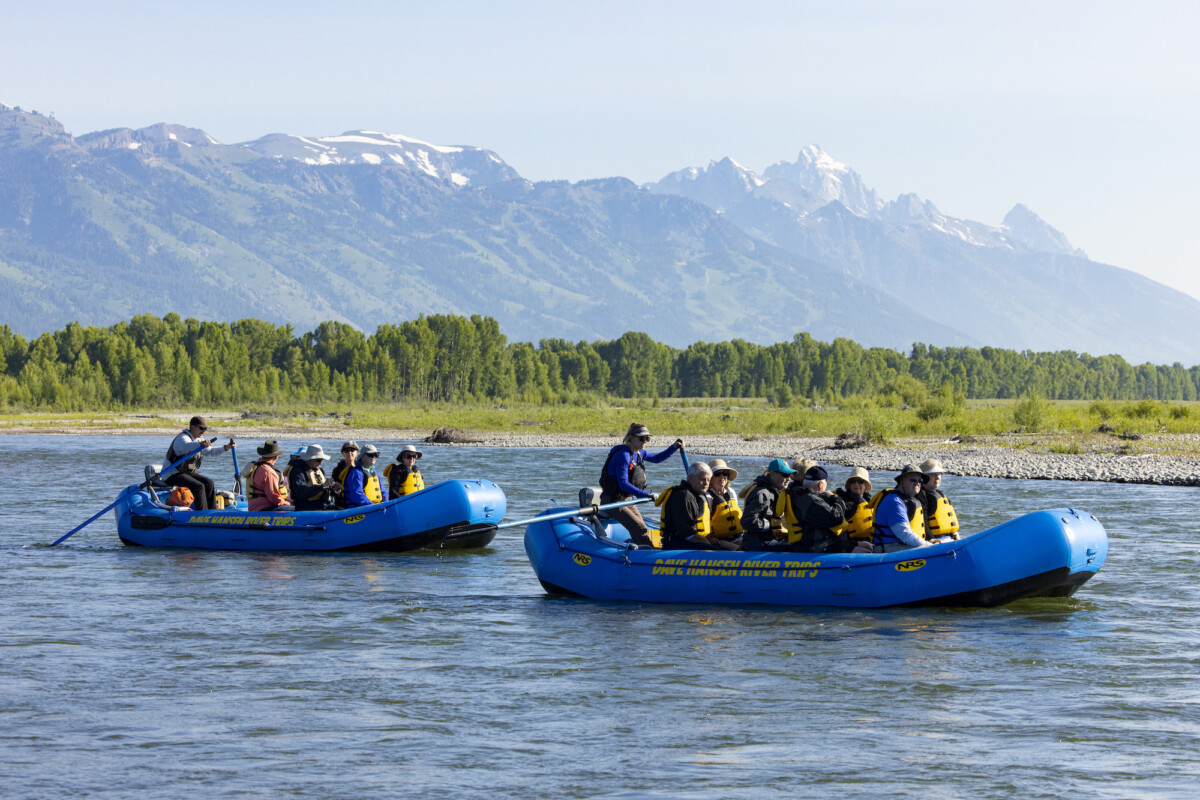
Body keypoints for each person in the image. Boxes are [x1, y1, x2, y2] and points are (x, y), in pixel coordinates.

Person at [598, 423, 684, 547]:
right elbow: (623, 484)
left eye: (647, 438)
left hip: (627, 500)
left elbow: (656, 458)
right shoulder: (623, 455)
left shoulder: (638, 453)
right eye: (641, 438)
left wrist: (674, 447)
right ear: (631, 439)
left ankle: (647, 549)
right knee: (640, 528)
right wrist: (646, 495)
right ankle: (649, 556)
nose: (645, 441)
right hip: (612, 501)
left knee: (643, 527)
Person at [163, 415, 235, 511]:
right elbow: (187, 446)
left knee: (209, 483)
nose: (203, 431)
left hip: (185, 473)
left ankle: (213, 512)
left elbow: (211, 452)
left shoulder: (199, 440)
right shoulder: (182, 438)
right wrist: (200, 444)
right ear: (192, 427)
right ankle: (202, 515)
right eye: (201, 428)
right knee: (199, 486)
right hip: (171, 474)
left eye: (205, 429)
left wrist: (226, 448)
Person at [658, 463, 736, 550]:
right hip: (677, 544)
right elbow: (687, 533)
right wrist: (707, 543)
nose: (706, 483)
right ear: (690, 478)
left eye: (708, 480)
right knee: (720, 551)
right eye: (702, 479)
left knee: (733, 548)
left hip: (692, 540)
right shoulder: (683, 496)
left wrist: (709, 539)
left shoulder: (696, 495)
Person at [776, 465, 850, 553]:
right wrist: (835, 498)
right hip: (810, 547)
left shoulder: (793, 492)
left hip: (806, 543)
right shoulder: (807, 498)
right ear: (820, 484)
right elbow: (836, 518)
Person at [872, 464, 931, 553]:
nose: (917, 483)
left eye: (920, 480)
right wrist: (929, 546)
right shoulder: (894, 501)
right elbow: (903, 533)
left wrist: (929, 541)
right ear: (901, 480)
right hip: (888, 550)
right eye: (913, 480)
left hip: (902, 546)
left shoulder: (907, 500)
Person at [740, 458, 795, 551]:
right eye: (785, 475)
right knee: (794, 547)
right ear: (772, 475)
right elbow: (746, 521)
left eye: (789, 475)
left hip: (770, 539)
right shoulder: (762, 494)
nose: (788, 479)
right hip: (757, 543)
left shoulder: (777, 491)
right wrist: (768, 525)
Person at [918, 458, 961, 541]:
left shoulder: (940, 494)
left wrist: (955, 533)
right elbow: (923, 522)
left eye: (939, 474)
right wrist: (932, 540)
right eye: (933, 474)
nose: (937, 477)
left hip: (949, 538)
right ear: (923, 477)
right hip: (935, 541)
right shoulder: (921, 496)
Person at [287, 444, 339, 511]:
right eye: (318, 460)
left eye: (321, 460)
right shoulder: (297, 471)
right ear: (309, 459)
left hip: (321, 505)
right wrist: (321, 487)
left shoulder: (319, 471)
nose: (320, 463)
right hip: (305, 508)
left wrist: (334, 487)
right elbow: (301, 492)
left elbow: (325, 486)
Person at [246, 440, 295, 513]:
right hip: (265, 509)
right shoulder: (269, 472)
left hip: (252, 507)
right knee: (299, 508)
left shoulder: (256, 467)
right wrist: (289, 504)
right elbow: (274, 497)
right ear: (276, 457)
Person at [835, 467, 876, 549]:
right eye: (853, 481)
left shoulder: (869, 501)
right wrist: (857, 544)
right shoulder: (845, 503)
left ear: (866, 485)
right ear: (849, 485)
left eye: (860, 481)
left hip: (871, 541)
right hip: (851, 544)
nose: (856, 484)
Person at [706, 459, 742, 544]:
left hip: (738, 536)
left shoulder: (731, 492)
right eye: (717, 474)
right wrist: (708, 539)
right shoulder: (707, 497)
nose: (722, 477)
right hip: (718, 540)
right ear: (710, 479)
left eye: (725, 473)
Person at [344, 443, 388, 508]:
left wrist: (385, 504)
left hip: (375, 507)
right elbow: (357, 495)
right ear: (362, 456)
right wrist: (373, 506)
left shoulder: (373, 472)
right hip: (359, 509)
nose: (374, 457)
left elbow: (383, 491)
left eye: (376, 455)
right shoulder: (356, 473)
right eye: (371, 455)